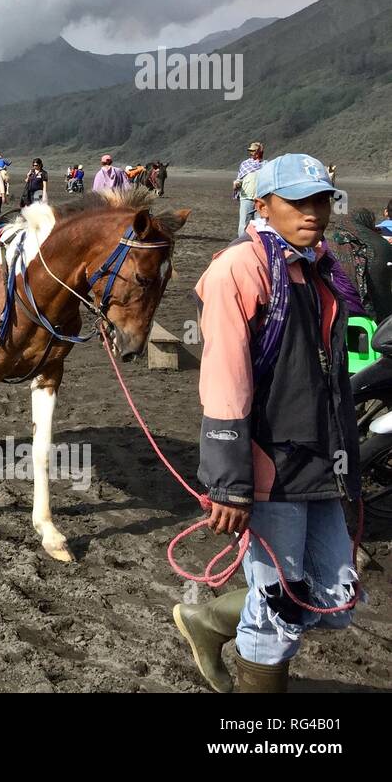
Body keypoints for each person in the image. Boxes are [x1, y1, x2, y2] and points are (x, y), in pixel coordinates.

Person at [173, 154, 361, 694]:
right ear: (262, 205)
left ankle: (207, 620)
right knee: (277, 607)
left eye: (321, 199)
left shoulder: (320, 267)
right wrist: (229, 484)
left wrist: (346, 458)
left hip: (320, 458)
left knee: (331, 597)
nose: (313, 211)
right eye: (297, 200)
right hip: (269, 462)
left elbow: (329, 377)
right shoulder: (241, 269)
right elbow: (225, 381)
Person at [233, 141, 266, 235]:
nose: (251, 153)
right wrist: (237, 184)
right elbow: (240, 178)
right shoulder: (245, 164)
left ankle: (258, 244)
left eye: (254, 151)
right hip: (246, 197)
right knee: (244, 223)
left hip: (260, 199)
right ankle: (242, 243)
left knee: (260, 224)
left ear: (259, 151)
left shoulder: (265, 165)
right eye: (250, 151)